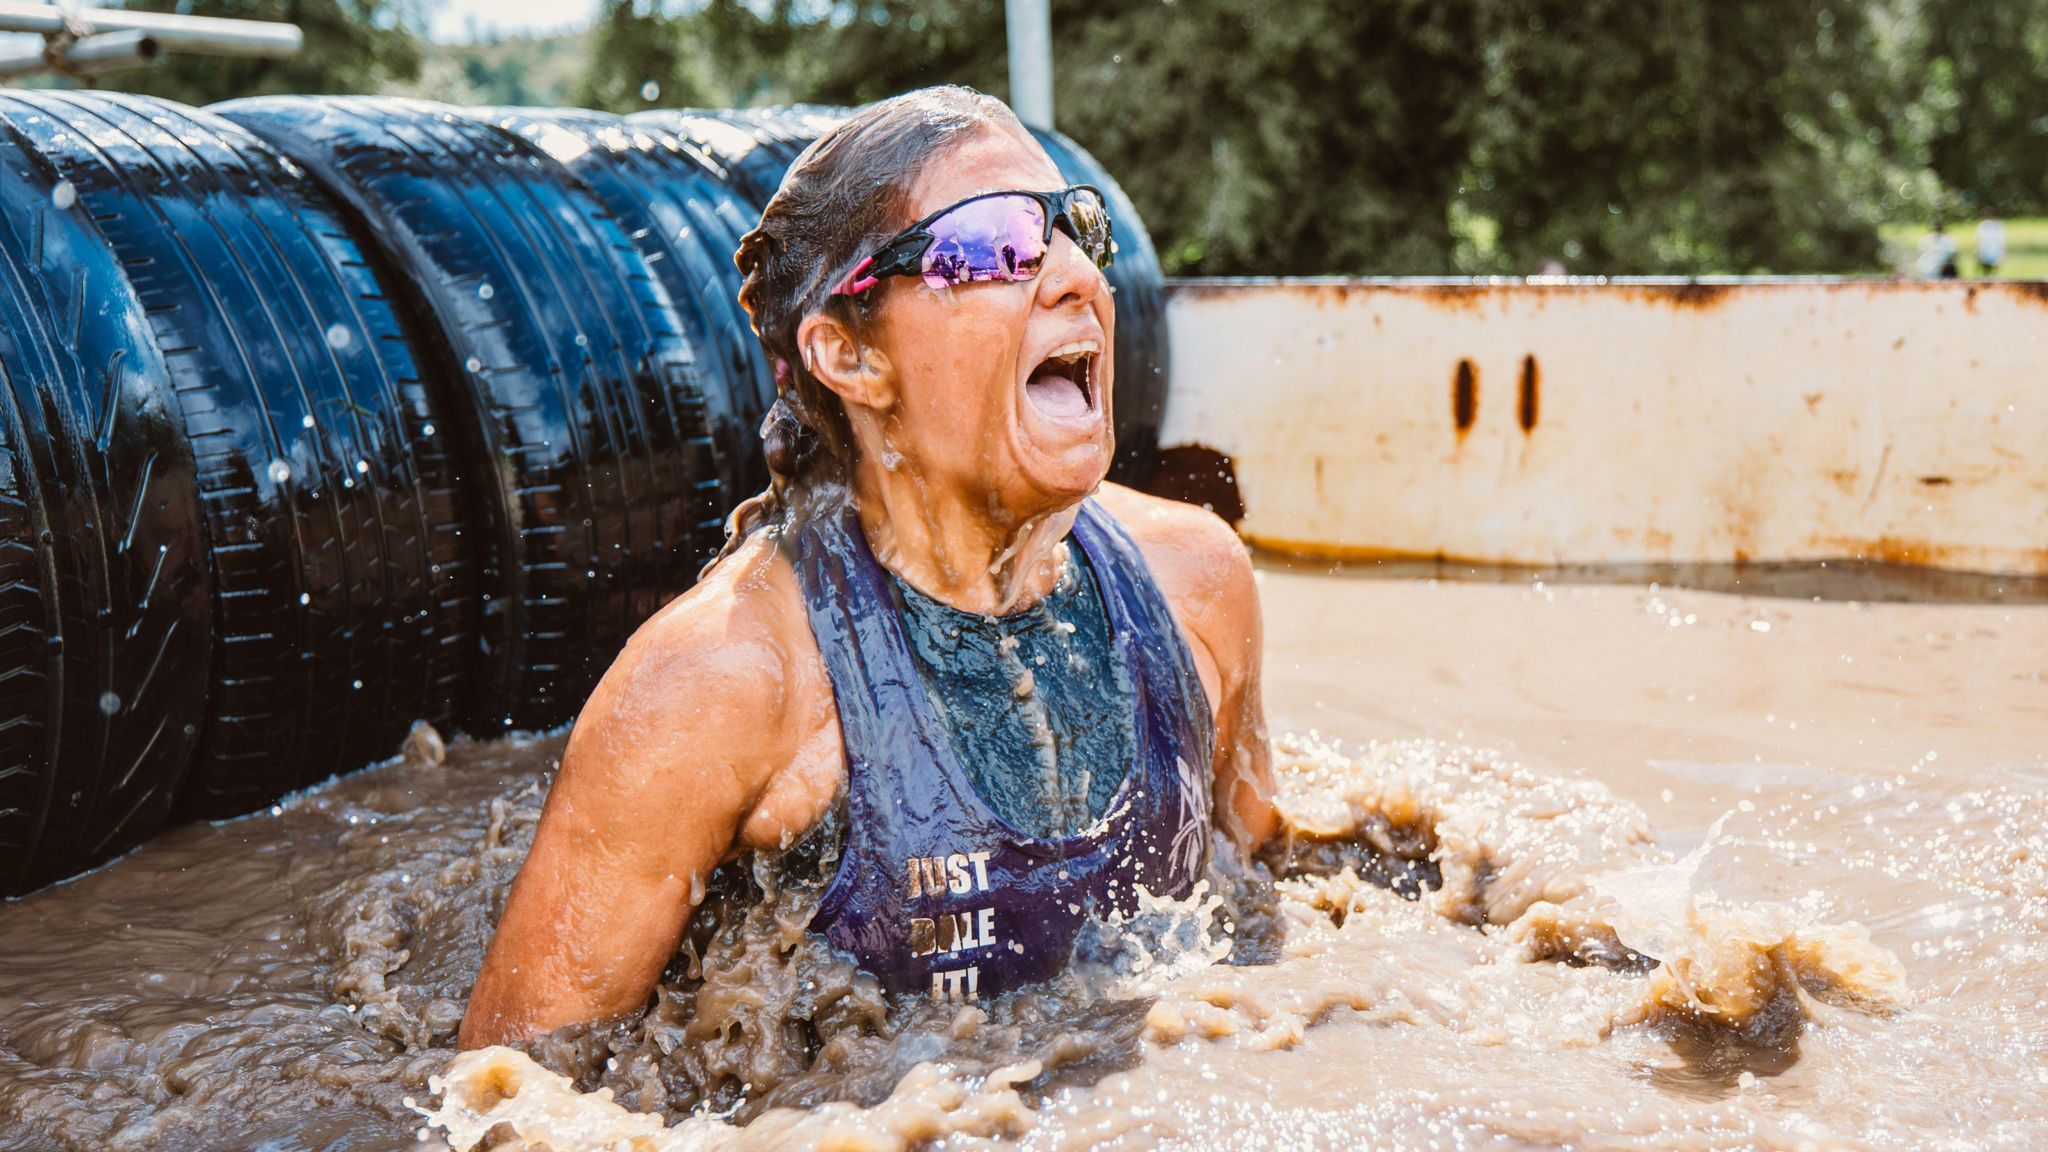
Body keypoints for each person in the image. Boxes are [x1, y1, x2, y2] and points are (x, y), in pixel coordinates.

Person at [459, 86, 1276, 1047]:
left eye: (1074, 228)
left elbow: (1261, 905)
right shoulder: (717, 687)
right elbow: (511, 1099)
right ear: (851, 356)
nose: (1069, 276)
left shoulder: (1196, 581)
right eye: (994, 246)